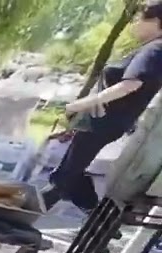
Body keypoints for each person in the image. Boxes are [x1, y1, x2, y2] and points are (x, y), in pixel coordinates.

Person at [43, 2, 162, 212]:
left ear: (156, 22)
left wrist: (80, 104)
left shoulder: (154, 50)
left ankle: (20, 216)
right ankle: (93, 216)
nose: (134, 24)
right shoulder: (152, 49)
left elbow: (130, 85)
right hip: (104, 122)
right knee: (71, 172)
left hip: (105, 122)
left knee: (64, 176)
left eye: (139, 19)